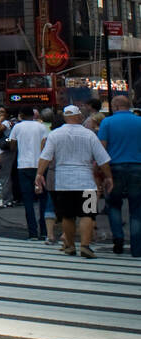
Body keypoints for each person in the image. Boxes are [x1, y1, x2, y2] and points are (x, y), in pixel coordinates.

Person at [37, 105, 113, 258]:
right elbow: (102, 159)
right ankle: (85, 246)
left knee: (67, 215)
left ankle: (70, 245)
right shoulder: (90, 135)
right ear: (79, 117)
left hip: (63, 182)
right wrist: (109, 176)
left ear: (65, 117)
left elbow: (45, 157)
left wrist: (39, 174)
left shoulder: (55, 134)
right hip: (87, 182)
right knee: (88, 214)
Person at [98, 95, 141, 256]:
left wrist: (101, 170)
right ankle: (137, 247)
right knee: (136, 208)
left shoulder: (107, 122)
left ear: (115, 106)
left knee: (114, 205)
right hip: (137, 166)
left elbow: (102, 149)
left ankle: (118, 240)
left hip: (114, 168)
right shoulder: (139, 121)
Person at [8, 105, 50, 239]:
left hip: (23, 165)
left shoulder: (17, 127)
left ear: (21, 114)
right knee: (43, 198)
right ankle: (44, 231)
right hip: (40, 165)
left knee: (28, 200)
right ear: (34, 115)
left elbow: (12, 146)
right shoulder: (41, 127)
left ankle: (32, 232)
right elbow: (46, 144)